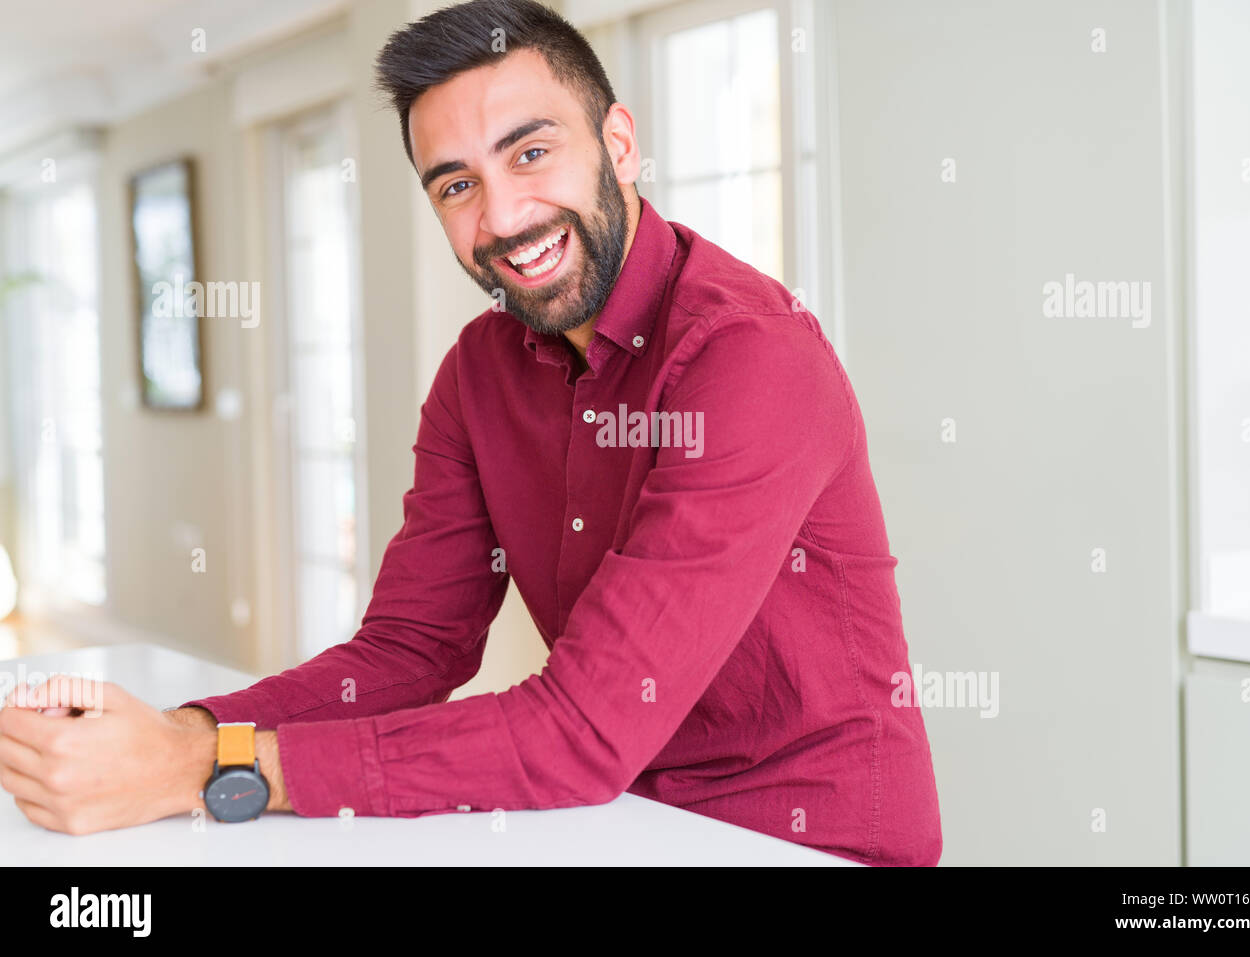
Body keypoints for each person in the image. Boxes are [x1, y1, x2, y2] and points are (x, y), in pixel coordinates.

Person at [0, 0, 941, 866]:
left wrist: (203, 770)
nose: (501, 217)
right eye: (456, 184)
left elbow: (580, 730)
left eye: (529, 153)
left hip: (805, 842)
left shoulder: (750, 358)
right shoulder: (477, 373)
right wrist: (175, 734)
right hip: (615, 821)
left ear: (618, 144)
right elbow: (410, 651)